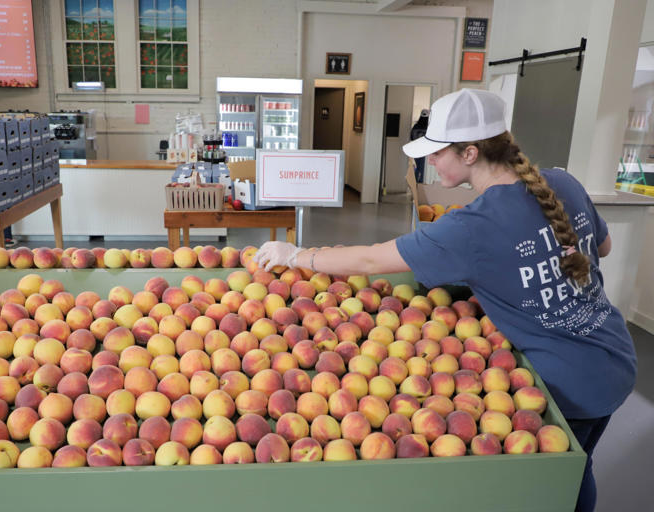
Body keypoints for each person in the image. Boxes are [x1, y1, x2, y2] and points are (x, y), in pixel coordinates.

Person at [254, 88, 636, 512]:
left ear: (470, 153)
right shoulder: (562, 182)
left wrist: (298, 255)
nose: (429, 161)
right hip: (616, 355)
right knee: (579, 468)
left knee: (555, 488)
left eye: (437, 152)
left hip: (570, 385)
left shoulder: (471, 227)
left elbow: (370, 257)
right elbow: (602, 249)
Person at [409, 109, 430, 182]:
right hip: (425, 151)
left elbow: (411, 138)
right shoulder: (428, 128)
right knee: (423, 169)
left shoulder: (415, 126)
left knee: (418, 168)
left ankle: (416, 184)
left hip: (416, 151)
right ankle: (420, 185)